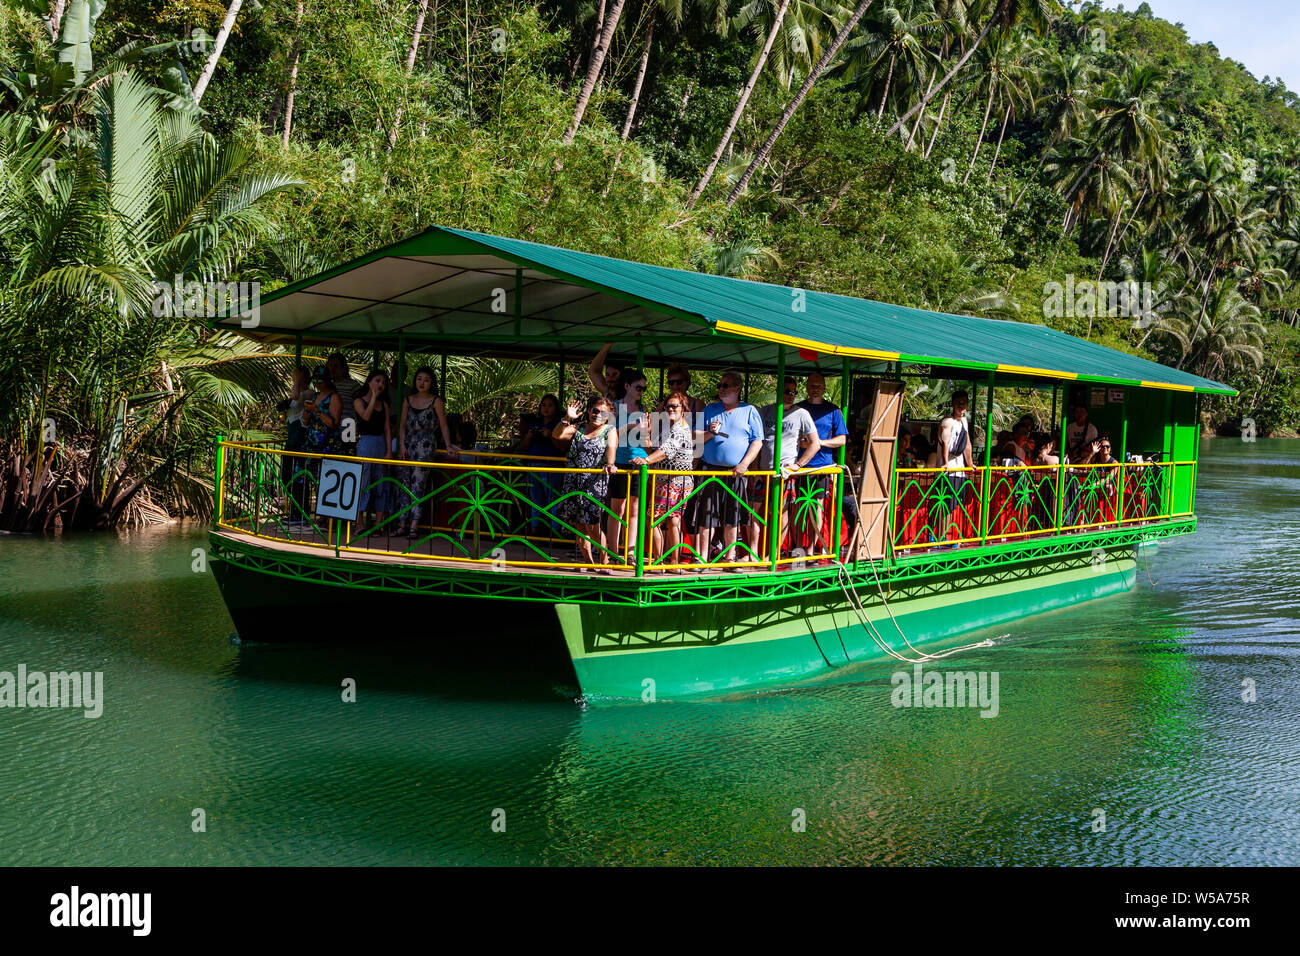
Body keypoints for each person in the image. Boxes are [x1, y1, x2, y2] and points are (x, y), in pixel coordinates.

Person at [693, 369, 763, 568]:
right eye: (720, 386)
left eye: (725, 385)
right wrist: (709, 432)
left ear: (737, 388)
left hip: (736, 471)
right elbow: (695, 437)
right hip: (710, 470)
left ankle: (729, 556)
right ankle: (702, 556)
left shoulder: (749, 410)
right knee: (707, 512)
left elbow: (757, 441)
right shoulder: (709, 409)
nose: (721, 389)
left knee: (733, 514)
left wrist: (744, 464)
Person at [754, 378, 821, 559]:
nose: (790, 395)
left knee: (780, 513)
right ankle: (753, 553)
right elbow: (756, 439)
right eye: (787, 391)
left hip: (783, 474)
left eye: (793, 392)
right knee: (755, 512)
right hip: (762, 472)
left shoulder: (801, 414)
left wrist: (798, 465)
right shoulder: (766, 411)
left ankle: (773, 555)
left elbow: (815, 443)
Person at [631, 391, 695, 571]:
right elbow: (653, 450)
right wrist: (645, 433)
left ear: (684, 409)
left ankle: (668, 562)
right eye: (668, 406)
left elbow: (666, 451)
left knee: (658, 521)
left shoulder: (680, 429)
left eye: (675, 406)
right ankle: (663, 561)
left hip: (675, 482)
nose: (671, 409)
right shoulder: (669, 428)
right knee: (663, 521)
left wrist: (646, 461)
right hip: (666, 481)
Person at [554, 396, 614, 569]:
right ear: (589, 411)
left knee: (593, 525)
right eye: (595, 410)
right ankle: (589, 562)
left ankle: (605, 561)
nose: (598, 415)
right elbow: (557, 434)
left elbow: (611, 449)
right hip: (574, 481)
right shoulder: (578, 428)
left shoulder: (609, 430)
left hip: (594, 483)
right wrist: (567, 418)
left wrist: (610, 464)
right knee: (579, 525)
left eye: (603, 412)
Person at [396, 366, 456, 537]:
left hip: (426, 443)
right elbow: (401, 424)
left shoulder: (436, 401)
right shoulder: (408, 400)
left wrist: (449, 444)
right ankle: (402, 523)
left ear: (431, 383)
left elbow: (443, 424)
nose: (422, 383)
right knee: (404, 483)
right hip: (408, 443)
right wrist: (401, 444)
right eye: (419, 379)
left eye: (426, 380)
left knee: (418, 484)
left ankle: (414, 525)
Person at [797, 372, 849, 560]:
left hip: (821, 468)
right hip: (798, 467)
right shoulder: (799, 408)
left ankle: (811, 549)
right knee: (798, 509)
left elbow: (842, 440)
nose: (815, 388)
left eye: (819, 385)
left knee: (816, 509)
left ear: (825, 387)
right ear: (807, 386)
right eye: (812, 384)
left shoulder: (833, 410)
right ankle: (797, 548)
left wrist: (818, 442)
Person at [605, 369, 649, 564]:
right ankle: (613, 551)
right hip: (619, 462)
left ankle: (629, 553)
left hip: (639, 462)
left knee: (634, 509)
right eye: (638, 387)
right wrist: (630, 427)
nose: (641, 391)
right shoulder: (614, 407)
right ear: (627, 386)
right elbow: (609, 433)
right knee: (617, 509)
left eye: (644, 388)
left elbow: (648, 444)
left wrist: (646, 432)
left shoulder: (644, 409)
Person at [517, 394, 563, 534]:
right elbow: (524, 448)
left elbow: (562, 447)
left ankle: (554, 533)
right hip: (534, 465)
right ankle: (535, 531)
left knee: (554, 500)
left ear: (556, 407)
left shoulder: (559, 425)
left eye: (550, 405)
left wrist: (550, 435)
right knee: (535, 500)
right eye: (543, 405)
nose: (546, 408)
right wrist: (530, 435)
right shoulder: (535, 423)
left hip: (552, 466)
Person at [353, 370, 392, 530]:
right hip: (366, 443)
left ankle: (379, 523)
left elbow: (387, 428)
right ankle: (359, 522)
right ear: (369, 382)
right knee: (363, 482)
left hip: (380, 444)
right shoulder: (359, 401)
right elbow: (365, 417)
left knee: (380, 483)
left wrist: (389, 451)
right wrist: (373, 396)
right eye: (377, 381)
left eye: (383, 382)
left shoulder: (384, 405)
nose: (380, 384)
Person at [935, 390, 974, 547]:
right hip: (948, 470)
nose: (961, 406)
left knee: (952, 505)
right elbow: (946, 442)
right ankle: (937, 537)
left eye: (964, 402)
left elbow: (968, 444)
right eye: (958, 402)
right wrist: (945, 463)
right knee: (944, 503)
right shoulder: (947, 421)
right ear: (952, 404)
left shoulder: (963, 422)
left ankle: (943, 536)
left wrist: (969, 464)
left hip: (958, 470)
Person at [278, 365, 314, 523]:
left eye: (296, 376)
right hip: (292, 440)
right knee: (286, 476)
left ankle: (300, 513)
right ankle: (295, 510)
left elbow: (294, 396)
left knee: (299, 478)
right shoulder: (298, 394)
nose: (294, 379)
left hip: (301, 441)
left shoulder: (309, 393)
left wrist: (299, 381)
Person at [326, 352, 361, 449]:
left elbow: (360, 408)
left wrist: (357, 427)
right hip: (330, 427)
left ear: (343, 368)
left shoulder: (353, 386)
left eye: (336, 366)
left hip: (348, 426)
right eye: (330, 366)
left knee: (346, 455)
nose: (332, 369)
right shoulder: (326, 386)